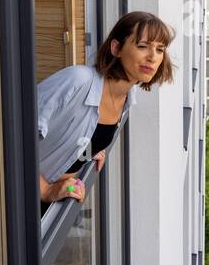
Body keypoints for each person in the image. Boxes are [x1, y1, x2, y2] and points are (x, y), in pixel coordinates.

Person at [36, 11, 175, 219]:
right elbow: (12, 136)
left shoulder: (127, 98)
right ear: (116, 48)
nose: (152, 57)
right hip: (23, 192)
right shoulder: (78, 80)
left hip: (51, 207)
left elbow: (89, 130)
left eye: (160, 49)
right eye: (142, 46)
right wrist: (45, 190)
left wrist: (90, 150)